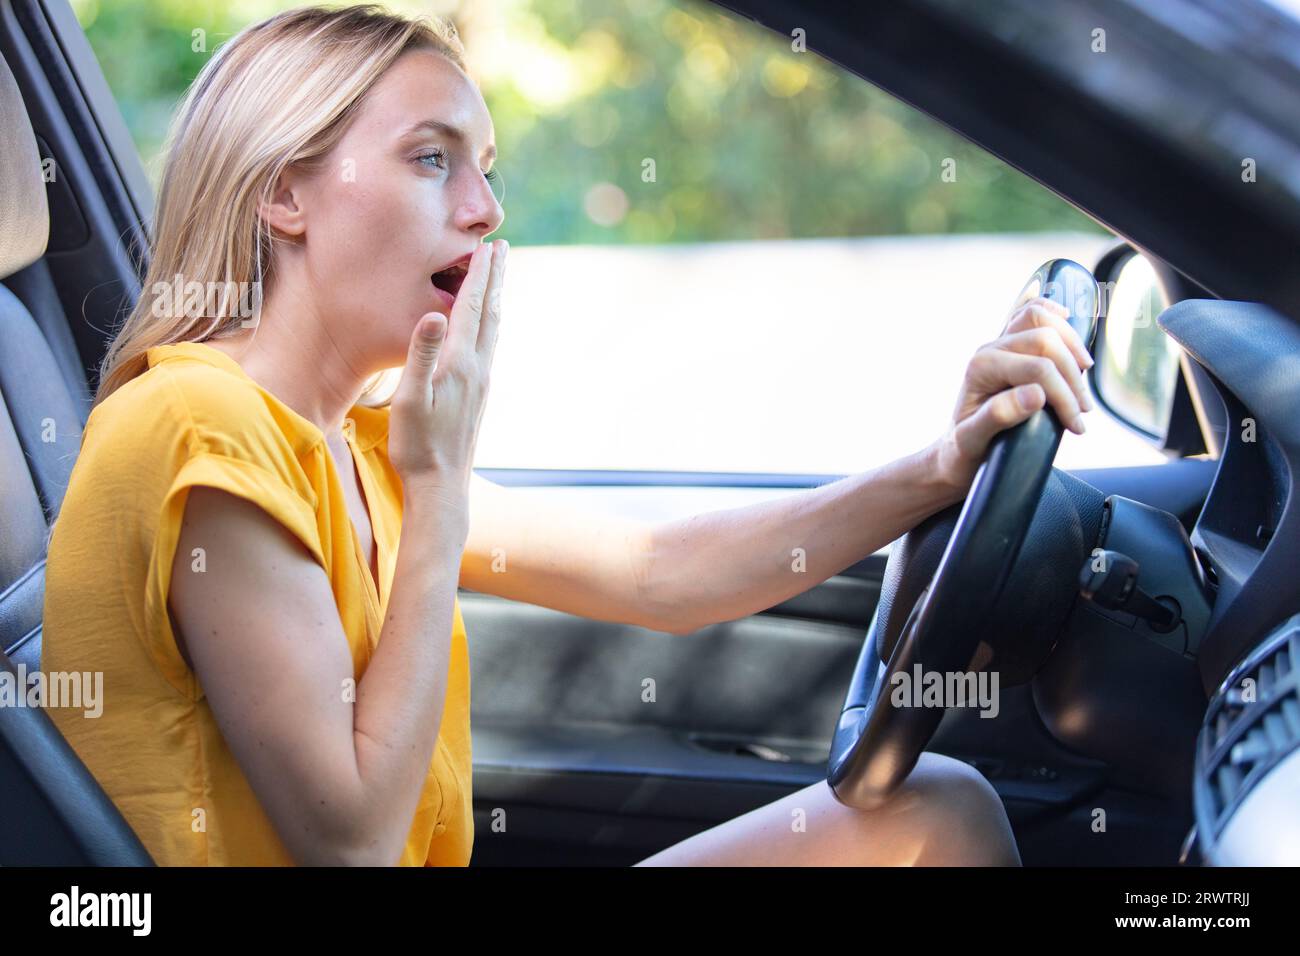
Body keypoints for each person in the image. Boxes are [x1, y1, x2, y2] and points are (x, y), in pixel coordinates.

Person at [42, 5, 1093, 867]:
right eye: (430, 158)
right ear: (282, 190)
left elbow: (658, 575)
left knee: (935, 809)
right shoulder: (199, 425)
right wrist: (442, 485)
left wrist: (941, 465)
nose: (487, 209)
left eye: (485, 165)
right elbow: (350, 840)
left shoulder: (352, 438)